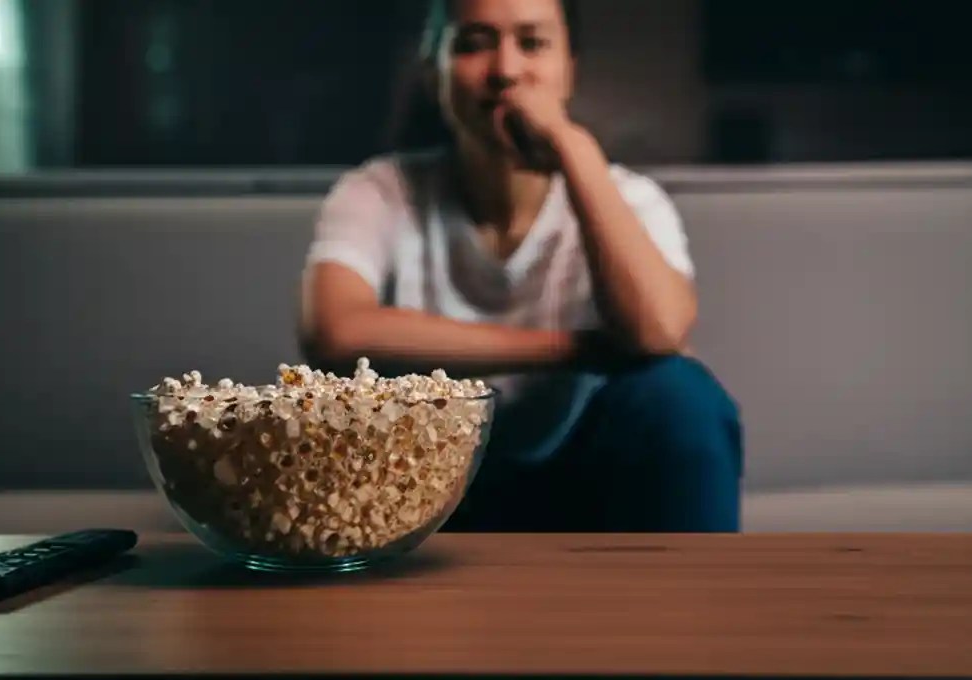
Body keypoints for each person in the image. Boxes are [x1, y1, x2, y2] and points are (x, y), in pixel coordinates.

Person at [299, 0, 742, 532]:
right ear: (433, 71)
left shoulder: (632, 199)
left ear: (569, 69)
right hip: (423, 484)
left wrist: (573, 146)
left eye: (532, 43)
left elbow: (659, 331)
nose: (506, 71)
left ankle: (691, 588)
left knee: (681, 395)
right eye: (474, 44)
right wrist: (577, 350)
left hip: (583, 478)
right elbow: (335, 331)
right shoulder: (379, 191)